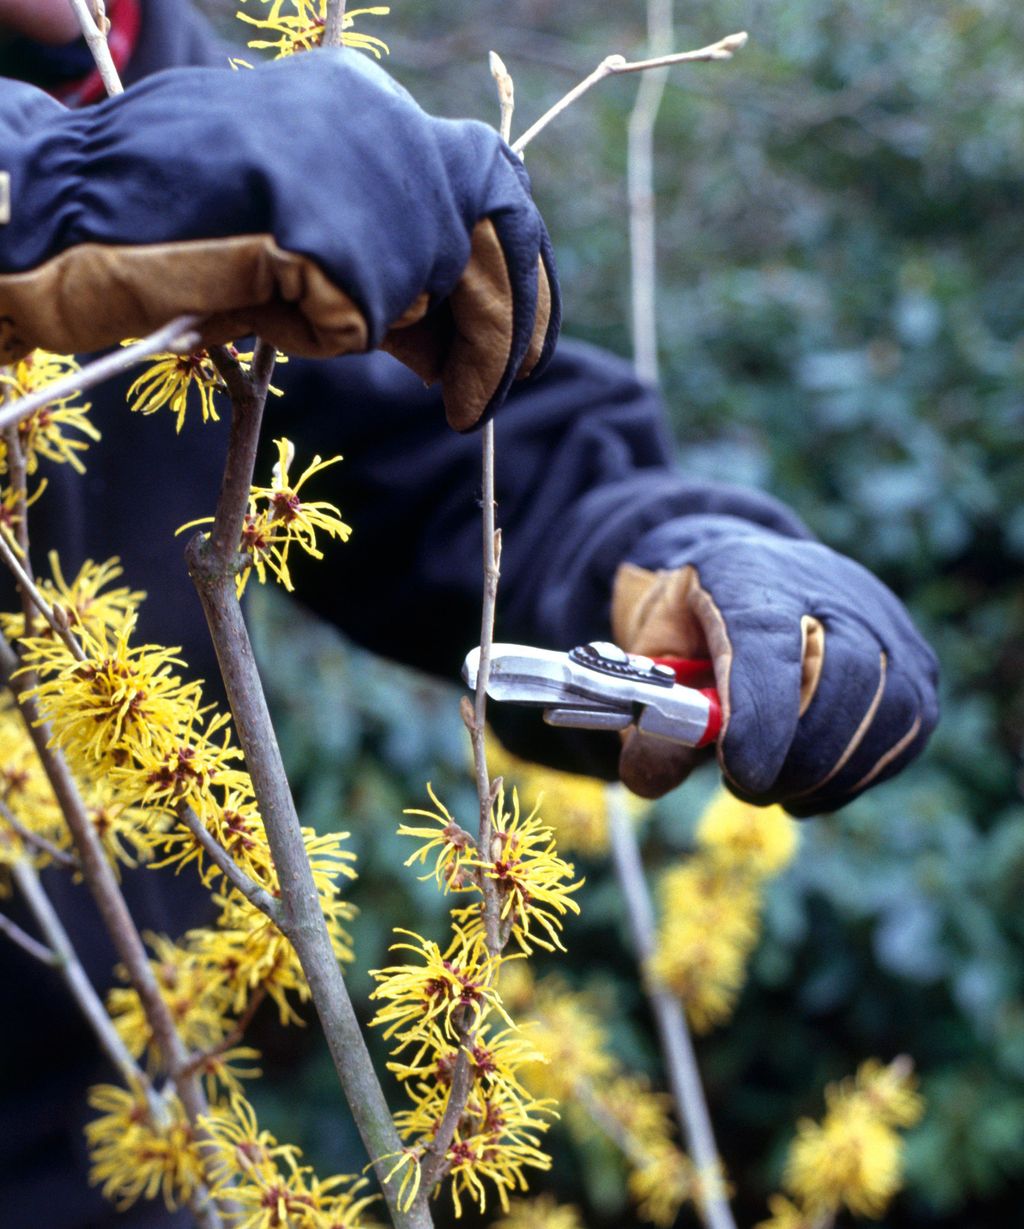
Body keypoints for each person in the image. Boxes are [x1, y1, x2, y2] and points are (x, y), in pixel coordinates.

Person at [0, 2, 940, 1225]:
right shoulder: (139, 147)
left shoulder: (159, 90)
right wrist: (56, 189)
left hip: (100, 1116)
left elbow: (462, 465)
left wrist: (672, 557)